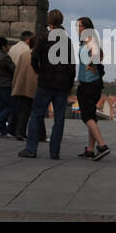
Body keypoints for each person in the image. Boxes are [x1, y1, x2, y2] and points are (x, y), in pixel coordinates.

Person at [21, 10, 73, 160]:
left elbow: (34, 57)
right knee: (59, 118)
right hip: (62, 84)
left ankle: (31, 149)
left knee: (36, 115)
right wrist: (70, 84)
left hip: (45, 82)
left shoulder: (43, 38)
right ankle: (54, 152)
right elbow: (71, 65)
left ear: (49, 22)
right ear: (61, 21)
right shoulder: (67, 41)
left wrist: (39, 72)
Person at [75, 17, 110, 160]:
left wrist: (90, 63)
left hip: (88, 85)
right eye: (77, 26)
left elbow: (97, 54)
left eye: (80, 26)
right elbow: (101, 54)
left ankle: (102, 146)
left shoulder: (89, 40)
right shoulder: (89, 41)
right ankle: (90, 149)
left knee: (86, 116)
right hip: (93, 84)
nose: (78, 29)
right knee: (91, 116)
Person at [10, 31, 44, 143]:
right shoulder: (40, 56)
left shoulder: (23, 55)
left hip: (24, 86)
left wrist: (15, 85)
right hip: (37, 86)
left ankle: (20, 132)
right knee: (39, 111)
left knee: (24, 110)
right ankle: (41, 134)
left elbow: (17, 71)